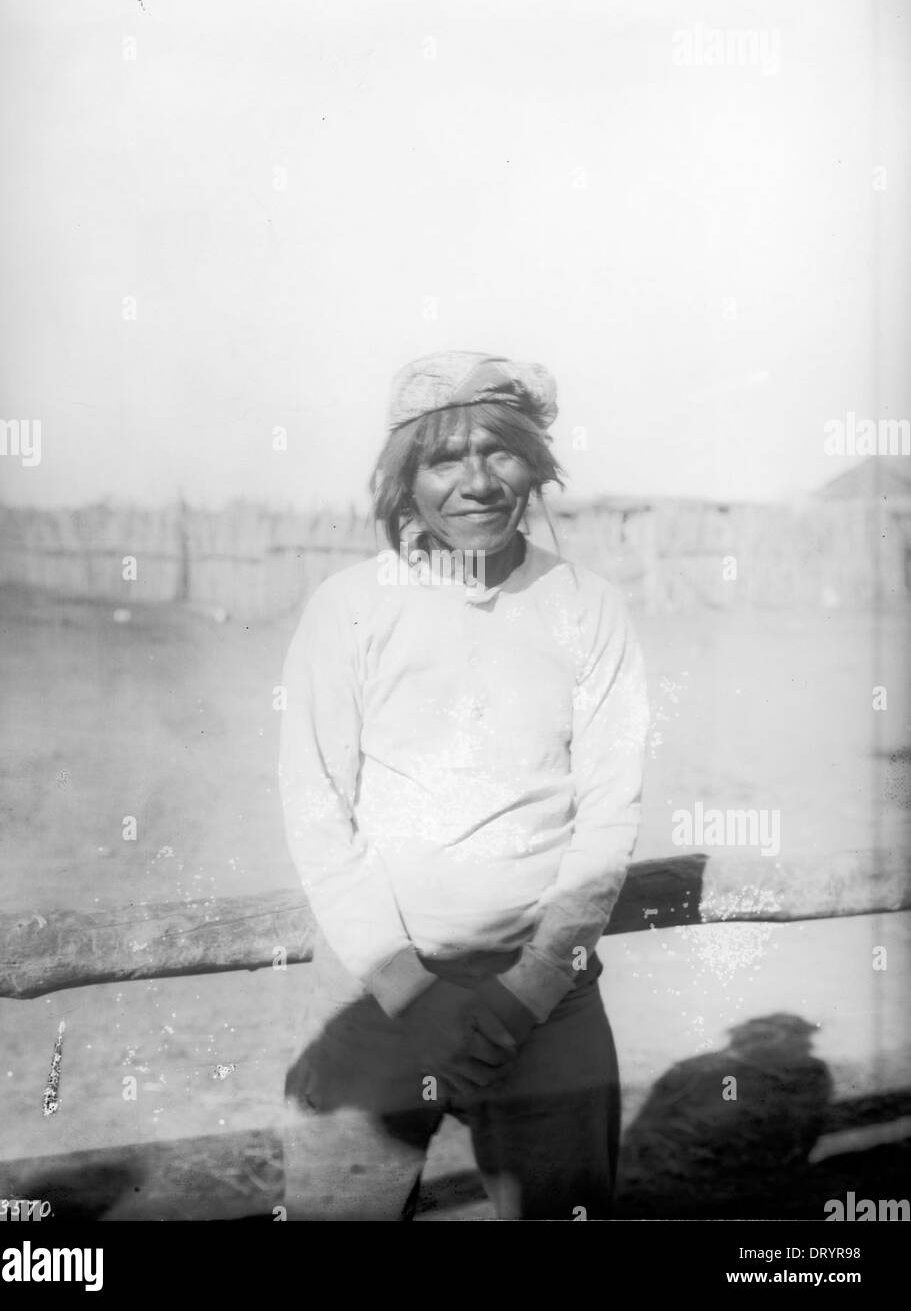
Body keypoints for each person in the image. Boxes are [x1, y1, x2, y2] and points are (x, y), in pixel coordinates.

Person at [278, 350, 649, 1220]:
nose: (476, 482)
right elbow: (316, 806)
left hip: (546, 996)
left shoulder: (586, 606)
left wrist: (527, 994)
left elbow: (607, 816)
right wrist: (411, 989)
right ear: (405, 480)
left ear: (534, 464)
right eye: (445, 459)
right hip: (379, 993)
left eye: (500, 453)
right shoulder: (350, 608)